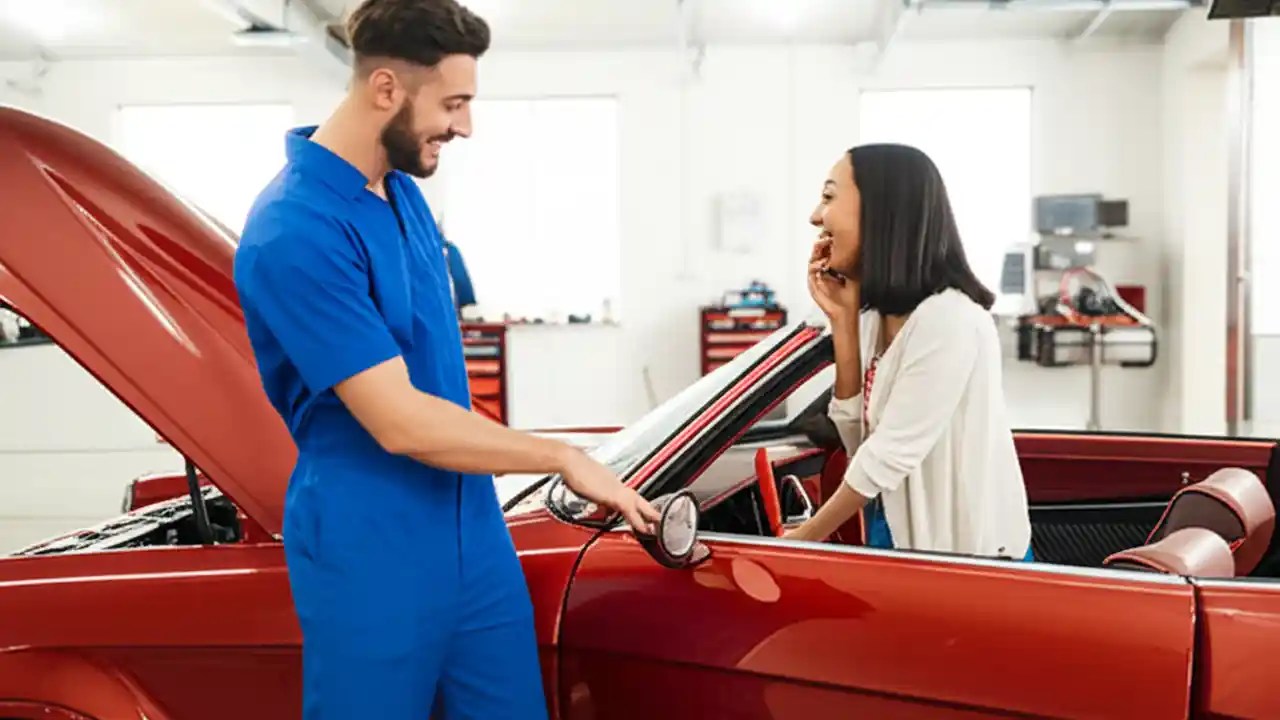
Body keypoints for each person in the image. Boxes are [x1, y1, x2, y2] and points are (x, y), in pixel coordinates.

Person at [232, 1, 659, 718]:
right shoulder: (292, 228)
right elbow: (399, 421)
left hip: (472, 535)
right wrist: (560, 457)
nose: (465, 125)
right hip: (371, 547)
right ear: (386, 90)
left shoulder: (403, 194)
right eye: (454, 103)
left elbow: (437, 380)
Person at [782, 143, 1033, 562]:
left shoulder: (949, 319)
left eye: (828, 197)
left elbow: (888, 455)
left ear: (882, 212)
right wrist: (843, 323)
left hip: (968, 560)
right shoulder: (870, 319)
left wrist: (802, 539)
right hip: (900, 532)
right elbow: (858, 441)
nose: (815, 217)